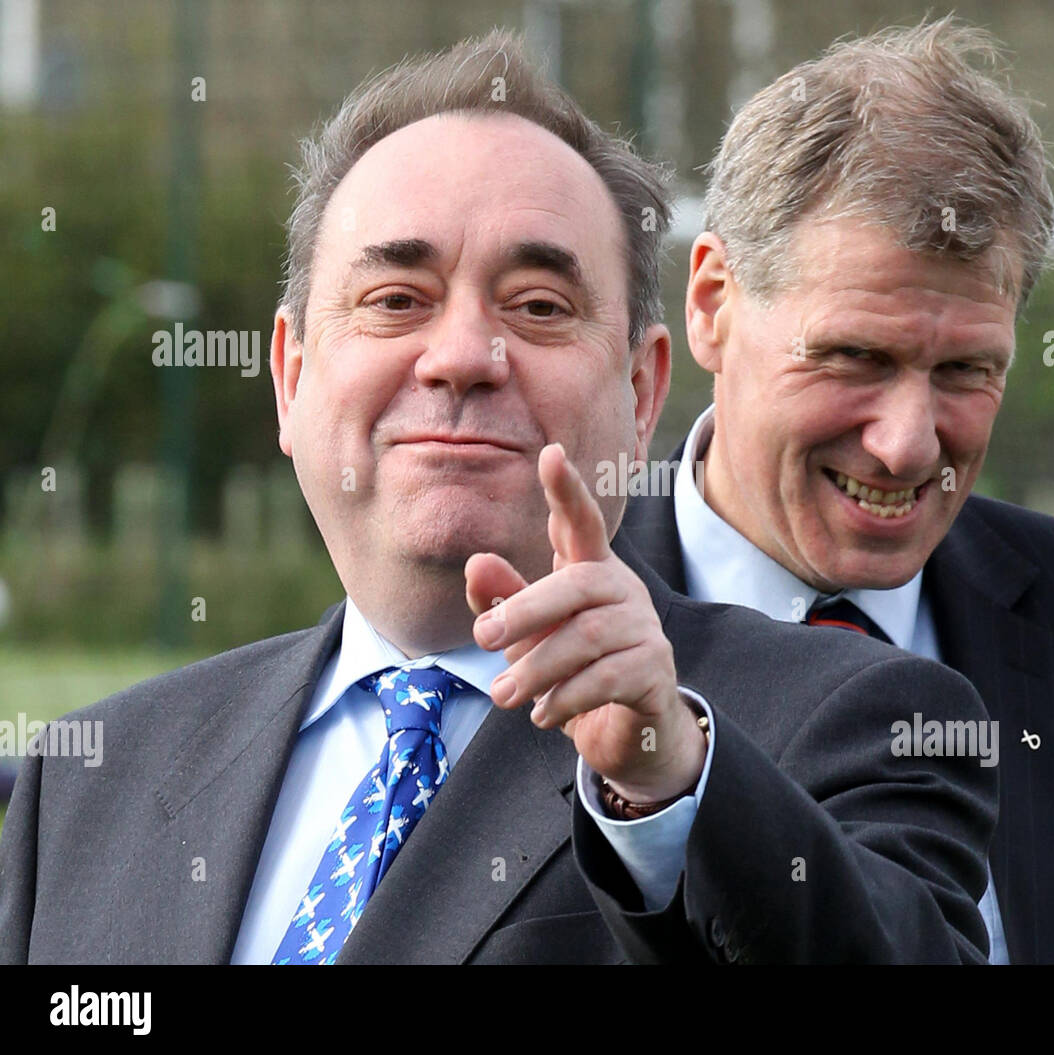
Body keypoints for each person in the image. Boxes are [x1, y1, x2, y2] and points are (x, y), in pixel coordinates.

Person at [0, 31, 997, 965]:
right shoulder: (90, 778)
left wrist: (669, 782)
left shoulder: (841, 722)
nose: (464, 356)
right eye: (396, 299)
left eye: (538, 307)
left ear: (643, 391)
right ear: (291, 377)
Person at [621, 17, 1054, 964]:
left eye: (967, 369)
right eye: (855, 356)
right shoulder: (526, 640)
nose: (905, 444)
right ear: (712, 303)